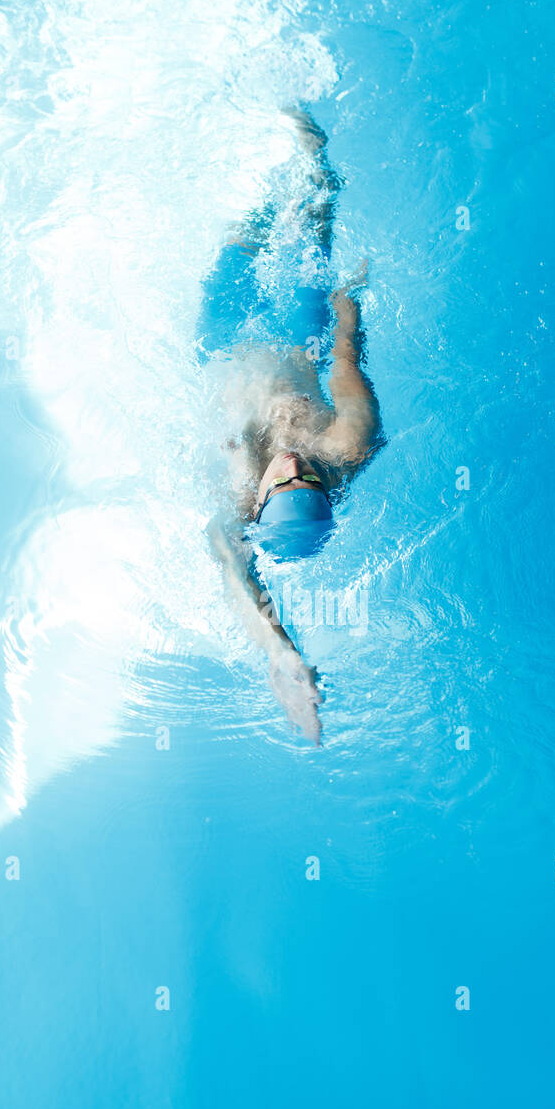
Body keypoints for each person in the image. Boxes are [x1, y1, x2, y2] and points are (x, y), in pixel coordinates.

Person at [201, 111, 380, 744]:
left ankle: (244, 139)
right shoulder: (345, 444)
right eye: (311, 480)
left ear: (261, 501)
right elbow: (346, 358)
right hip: (298, 335)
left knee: (237, 239)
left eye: (287, 483)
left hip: (224, 344)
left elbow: (230, 564)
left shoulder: (240, 482)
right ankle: (309, 141)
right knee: (314, 216)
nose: (295, 466)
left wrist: (278, 650)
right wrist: (347, 307)